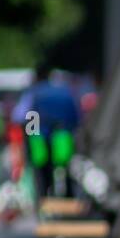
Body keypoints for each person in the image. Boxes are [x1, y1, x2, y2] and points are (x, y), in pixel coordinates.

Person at [11, 62, 81, 201]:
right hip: (62, 135)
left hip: (40, 136)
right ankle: (68, 199)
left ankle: (44, 198)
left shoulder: (34, 92)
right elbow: (75, 116)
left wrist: (32, 132)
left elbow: (20, 115)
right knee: (65, 169)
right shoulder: (65, 91)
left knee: (42, 172)